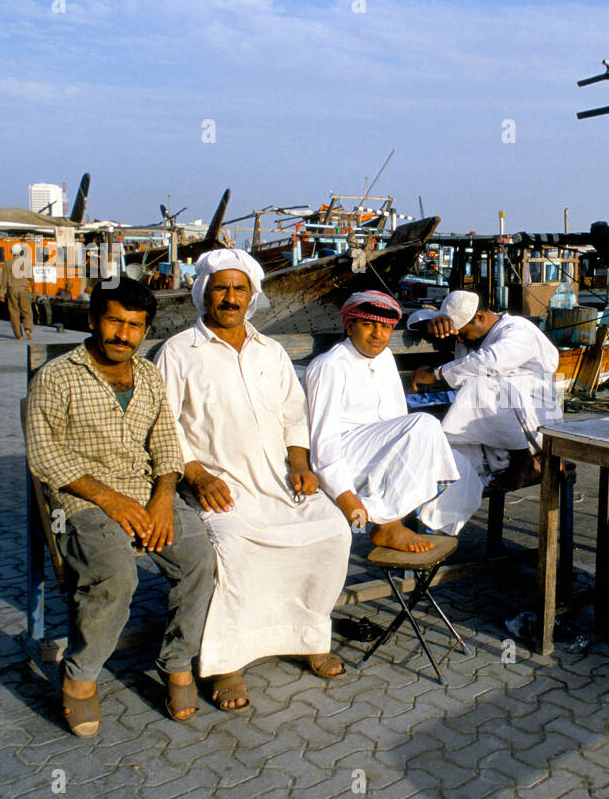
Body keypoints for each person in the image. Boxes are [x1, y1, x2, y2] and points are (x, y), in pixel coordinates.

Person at [156, 249, 353, 710]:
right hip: (220, 482)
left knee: (331, 529)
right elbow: (163, 426)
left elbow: (293, 415)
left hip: (279, 478)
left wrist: (301, 464)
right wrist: (198, 475)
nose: (229, 297)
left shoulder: (272, 351)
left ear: (252, 296)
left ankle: (306, 636)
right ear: (203, 291)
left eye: (239, 289)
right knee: (235, 543)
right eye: (220, 287)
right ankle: (227, 660)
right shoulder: (180, 352)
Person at [25, 276, 214, 737]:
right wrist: (112, 500)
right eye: (114, 322)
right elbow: (43, 453)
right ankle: (81, 676)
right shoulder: (57, 376)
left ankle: (176, 662)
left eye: (135, 326)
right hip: (83, 502)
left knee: (200, 560)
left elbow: (168, 445)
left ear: (144, 331)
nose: (123, 335)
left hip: (148, 495)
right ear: (93, 320)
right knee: (117, 573)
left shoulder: (148, 374)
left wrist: (164, 500)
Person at [305, 289, 483, 554]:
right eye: (368, 325)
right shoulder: (329, 365)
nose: (379, 335)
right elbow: (324, 442)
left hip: (380, 455)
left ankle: (434, 527)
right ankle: (387, 523)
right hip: (347, 460)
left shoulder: (385, 358)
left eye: (386, 328)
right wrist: (346, 497)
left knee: (464, 468)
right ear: (350, 325)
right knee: (424, 424)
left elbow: (397, 418)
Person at [409, 290, 562, 490]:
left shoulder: (518, 330)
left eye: (462, 334)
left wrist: (437, 374)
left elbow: (491, 361)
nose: (460, 341)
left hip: (537, 424)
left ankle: (522, 461)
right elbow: (416, 318)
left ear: (480, 316)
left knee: (480, 386)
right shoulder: (474, 334)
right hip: (500, 430)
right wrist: (432, 322)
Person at [2, 244, 34, 339]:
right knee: (27, 311)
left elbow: (4, 280)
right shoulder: (26, 262)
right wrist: (34, 292)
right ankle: (28, 329)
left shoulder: (7, 263)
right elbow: (31, 279)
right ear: (21, 252)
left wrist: (1, 293)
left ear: (11, 252)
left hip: (12, 290)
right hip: (24, 289)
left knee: (14, 312)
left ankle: (19, 335)